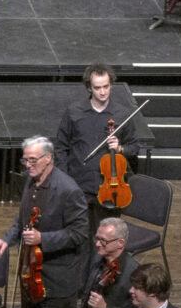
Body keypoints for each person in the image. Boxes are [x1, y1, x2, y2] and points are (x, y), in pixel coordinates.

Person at [0, 137, 90, 308]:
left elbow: (79, 234)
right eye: (25, 159)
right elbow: (23, 220)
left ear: (48, 159)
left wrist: (42, 238)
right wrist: (8, 238)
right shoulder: (31, 182)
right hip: (31, 275)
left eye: (32, 159)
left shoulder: (69, 191)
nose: (27, 164)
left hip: (57, 280)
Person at [52, 65, 154, 229]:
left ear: (111, 85)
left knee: (105, 238)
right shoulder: (74, 112)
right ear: (89, 87)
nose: (102, 92)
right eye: (97, 87)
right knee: (78, 236)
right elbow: (61, 148)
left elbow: (134, 147)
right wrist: (66, 180)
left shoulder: (121, 114)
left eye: (106, 86)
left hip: (110, 188)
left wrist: (120, 148)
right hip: (79, 185)